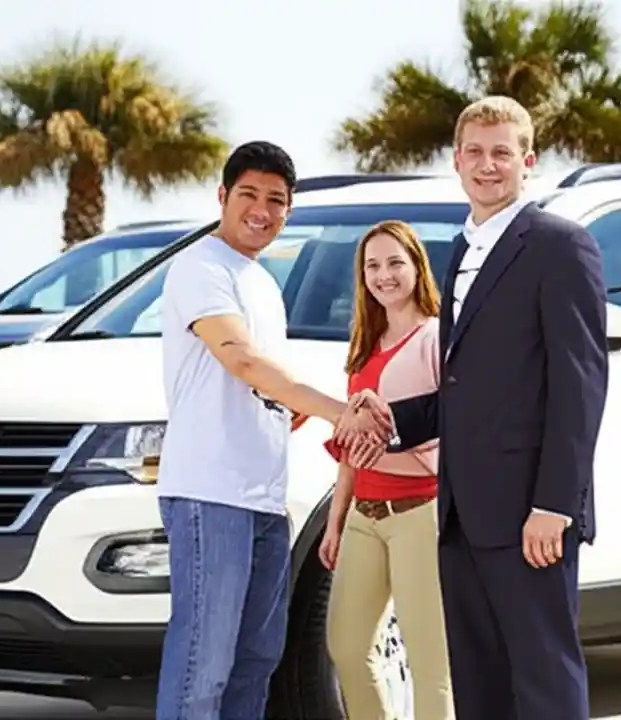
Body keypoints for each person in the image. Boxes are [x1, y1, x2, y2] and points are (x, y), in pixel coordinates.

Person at [336, 96, 610, 720]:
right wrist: (393, 423)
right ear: (456, 160)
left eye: (502, 154)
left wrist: (555, 506)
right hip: (460, 516)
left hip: (529, 517)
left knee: (543, 678)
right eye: (476, 153)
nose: (488, 166)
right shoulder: (462, 251)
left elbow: (580, 385)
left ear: (527, 161)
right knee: (479, 683)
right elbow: (468, 389)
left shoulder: (560, 245)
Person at [155, 140, 377, 720]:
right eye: (249, 194)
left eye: (276, 200)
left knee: (255, 659)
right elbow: (243, 361)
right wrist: (338, 410)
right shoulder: (200, 267)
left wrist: (289, 405)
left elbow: (257, 380)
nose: (262, 209)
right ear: (223, 196)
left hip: (264, 495)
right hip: (209, 493)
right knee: (203, 663)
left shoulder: (259, 282)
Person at [318, 220, 454, 720]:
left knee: (429, 663)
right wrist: (335, 521)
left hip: (420, 513)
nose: (384, 275)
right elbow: (351, 449)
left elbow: (455, 428)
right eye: (372, 266)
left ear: (417, 267)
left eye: (395, 262)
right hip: (363, 518)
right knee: (348, 649)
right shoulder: (363, 349)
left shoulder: (436, 338)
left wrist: (394, 430)